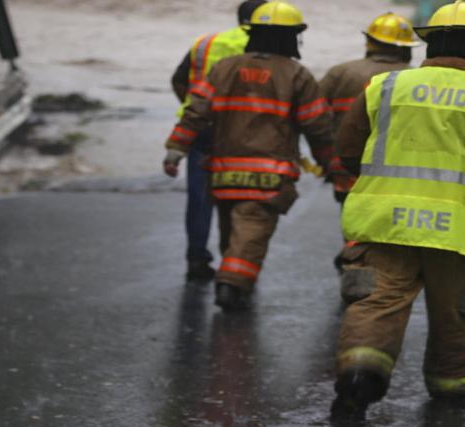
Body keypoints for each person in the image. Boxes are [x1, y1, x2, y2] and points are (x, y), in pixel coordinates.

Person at [329, 1, 465, 420]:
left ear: (431, 43)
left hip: (384, 224)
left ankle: (360, 373)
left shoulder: (385, 88)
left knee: (377, 303)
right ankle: (453, 386)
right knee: (459, 312)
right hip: (460, 233)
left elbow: (347, 151)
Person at [164, 1, 342, 311]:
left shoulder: (225, 67)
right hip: (268, 175)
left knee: (231, 231)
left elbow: (195, 111)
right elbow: (319, 127)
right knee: (251, 231)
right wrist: (331, 165)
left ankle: (233, 280)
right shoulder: (296, 75)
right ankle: (232, 284)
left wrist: (175, 151)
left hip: (222, 172)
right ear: (292, 37)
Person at [318, 12, 422, 305]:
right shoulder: (415, 80)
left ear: (370, 42)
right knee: (384, 228)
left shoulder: (341, 72)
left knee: (353, 222)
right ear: (405, 48)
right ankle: (367, 277)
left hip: (346, 168)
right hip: (397, 173)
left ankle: (355, 267)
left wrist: (323, 155)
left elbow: (313, 112)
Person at [170, 0, 263, 281]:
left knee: (200, 197)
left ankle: (196, 259)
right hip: (243, 132)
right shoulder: (269, 44)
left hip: (202, 127)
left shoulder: (206, 42)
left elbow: (178, 79)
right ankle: (235, 264)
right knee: (242, 197)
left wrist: (192, 110)